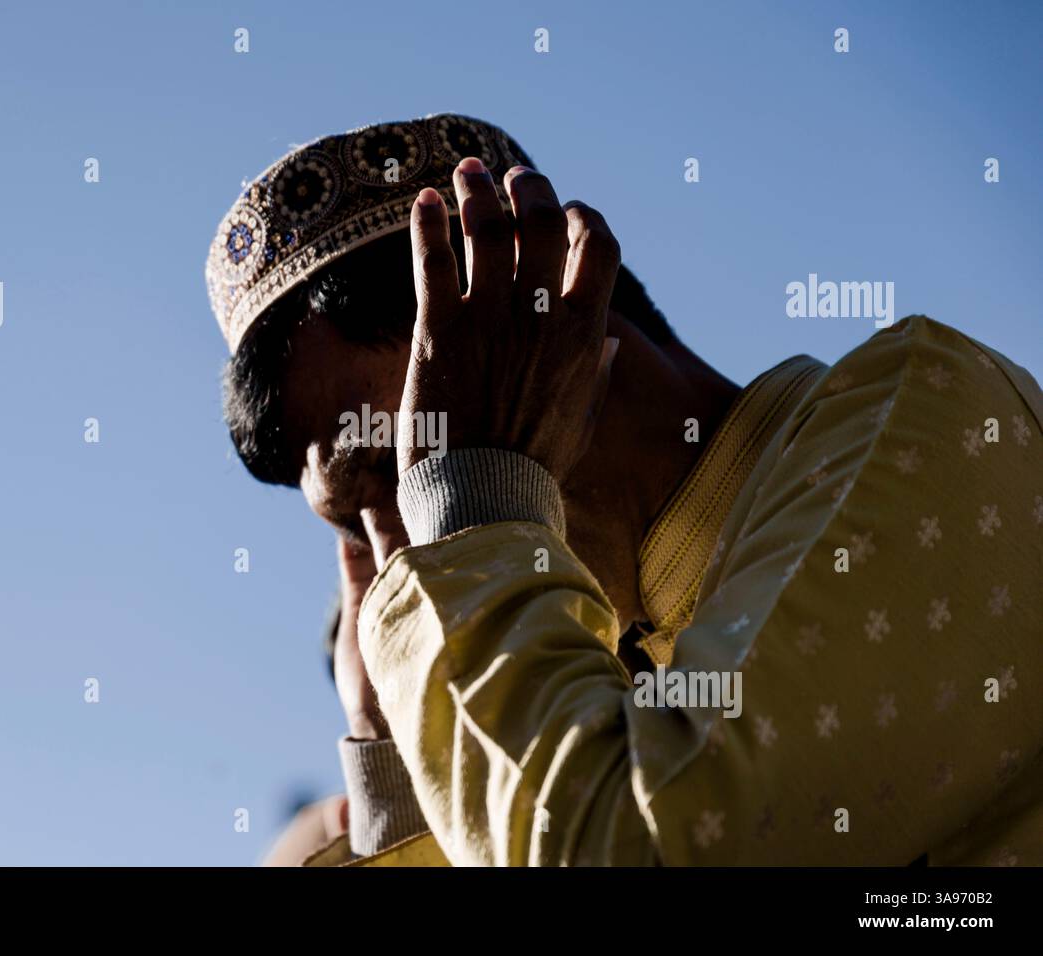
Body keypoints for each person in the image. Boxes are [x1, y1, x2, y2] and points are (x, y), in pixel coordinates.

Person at [210, 114, 1043, 866]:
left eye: (412, 467)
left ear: (555, 321)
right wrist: (396, 758)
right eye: (355, 533)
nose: (397, 578)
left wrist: (472, 504)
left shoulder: (932, 411)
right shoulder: (572, 673)